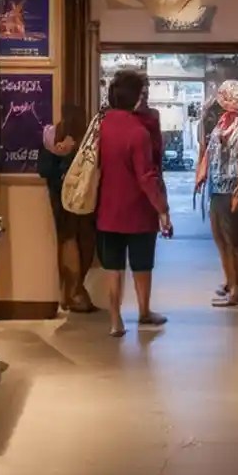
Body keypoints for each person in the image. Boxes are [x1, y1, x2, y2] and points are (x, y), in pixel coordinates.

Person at [97, 69, 172, 337]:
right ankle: (143, 311)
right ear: (135, 96)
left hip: (106, 207)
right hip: (138, 209)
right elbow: (147, 176)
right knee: (142, 263)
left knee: (112, 266)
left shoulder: (102, 124)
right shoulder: (138, 131)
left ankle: (115, 319)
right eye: (142, 92)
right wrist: (162, 209)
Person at [196, 80, 238, 307]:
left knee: (235, 239)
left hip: (235, 188)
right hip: (218, 187)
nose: (221, 99)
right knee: (220, 237)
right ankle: (230, 281)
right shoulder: (225, 120)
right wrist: (202, 174)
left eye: (225, 96)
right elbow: (210, 148)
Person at [37, 104, 97, 313]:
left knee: (67, 242)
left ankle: (68, 293)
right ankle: (74, 292)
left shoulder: (49, 137)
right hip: (79, 203)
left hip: (58, 201)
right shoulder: (83, 142)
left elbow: (43, 170)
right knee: (81, 244)